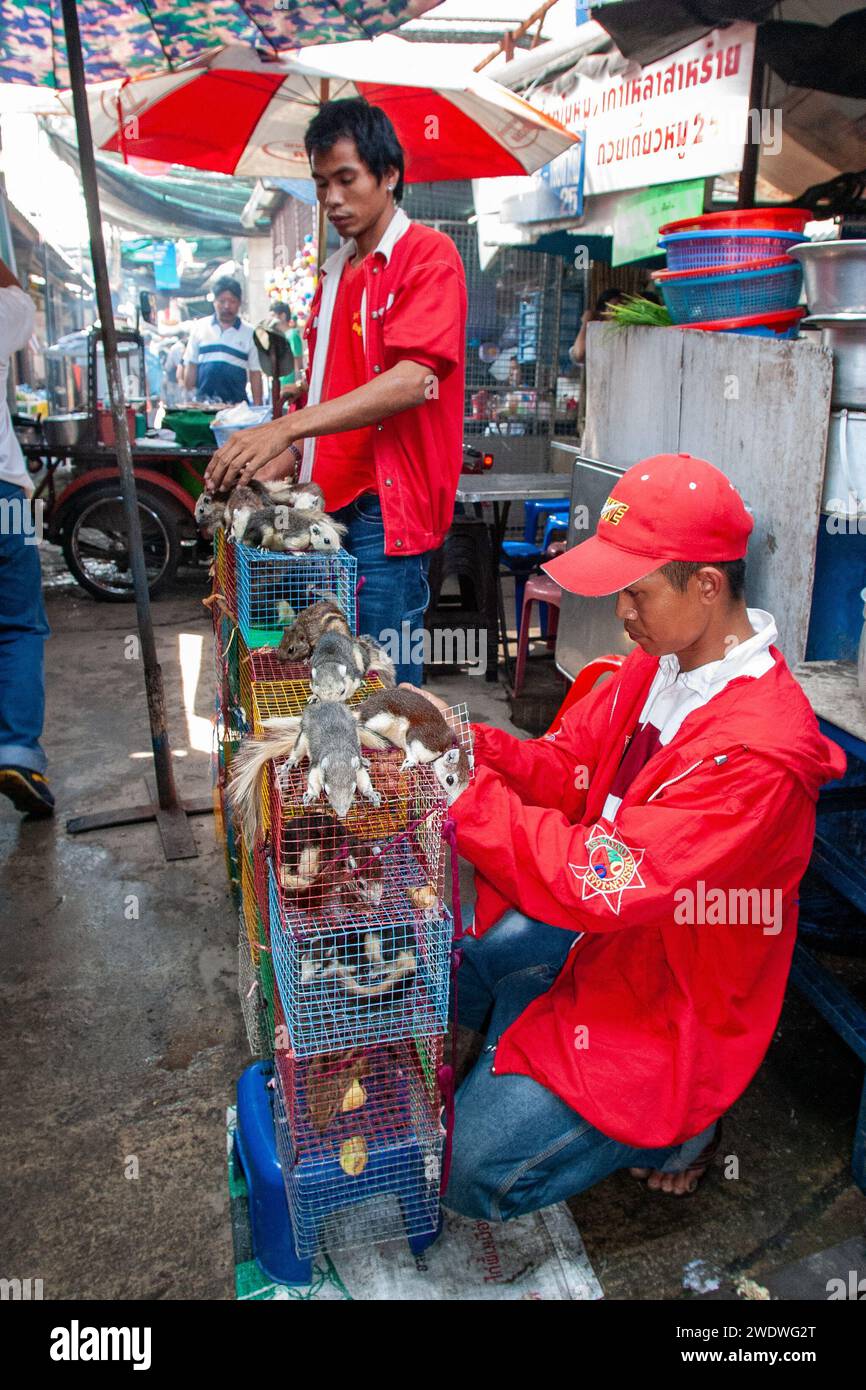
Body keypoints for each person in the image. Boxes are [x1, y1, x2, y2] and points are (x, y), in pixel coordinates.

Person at [408, 453, 844, 1218]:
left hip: (677, 982)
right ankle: (538, 1008)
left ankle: (684, 1129)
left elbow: (598, 877)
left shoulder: (756, 754)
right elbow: (571, 771)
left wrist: (462, 797)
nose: (621, 611)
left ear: (706, 586)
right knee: (450, 973)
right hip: (617, 932)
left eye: (636, 592)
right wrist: (464, 743)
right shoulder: (659, 666)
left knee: (470, 1173)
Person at [205, 99, 468, 686]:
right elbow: (326, 395)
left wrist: (287, 427)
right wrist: (276, 456)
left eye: (346, 179)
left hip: (383, 516)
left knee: (383, 691)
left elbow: (413, 379)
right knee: (328, 681)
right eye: (322, 183)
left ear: (389, 174)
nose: (331, 199)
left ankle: (404, 779)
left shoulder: (426, 256)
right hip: (326, 510)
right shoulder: (334, 272)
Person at [0, 257, 53, 816]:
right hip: (6, 493)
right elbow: (21, 303)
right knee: (19, 625)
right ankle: (17, 752)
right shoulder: (3, 310)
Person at [184, 276, 263, 406]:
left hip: (236, 407)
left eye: (232, 301)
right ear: (214, 301)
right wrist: (188, 399)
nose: (227, 306)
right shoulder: (199, 327)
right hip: (203, 406)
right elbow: (191, 365)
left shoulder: (250, 333)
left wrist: (258, 407)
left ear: (239, 303)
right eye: (222, 301)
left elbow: (255, 373)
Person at [569, 287, 626, 366]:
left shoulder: (629, 329)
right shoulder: (597, 336)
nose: (620, 313)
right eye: (614, 310)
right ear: (601, 314)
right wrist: (586, 323)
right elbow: (579, 354)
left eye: (623, 308)